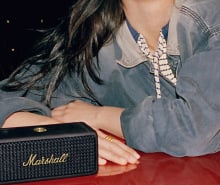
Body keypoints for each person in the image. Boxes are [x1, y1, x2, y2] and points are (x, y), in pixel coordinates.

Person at [0, 0, 220, 165]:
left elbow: (193, 130)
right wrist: (54, 131)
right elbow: (9, 96)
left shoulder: (212, 21)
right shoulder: (90, 46)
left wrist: (98, 115)